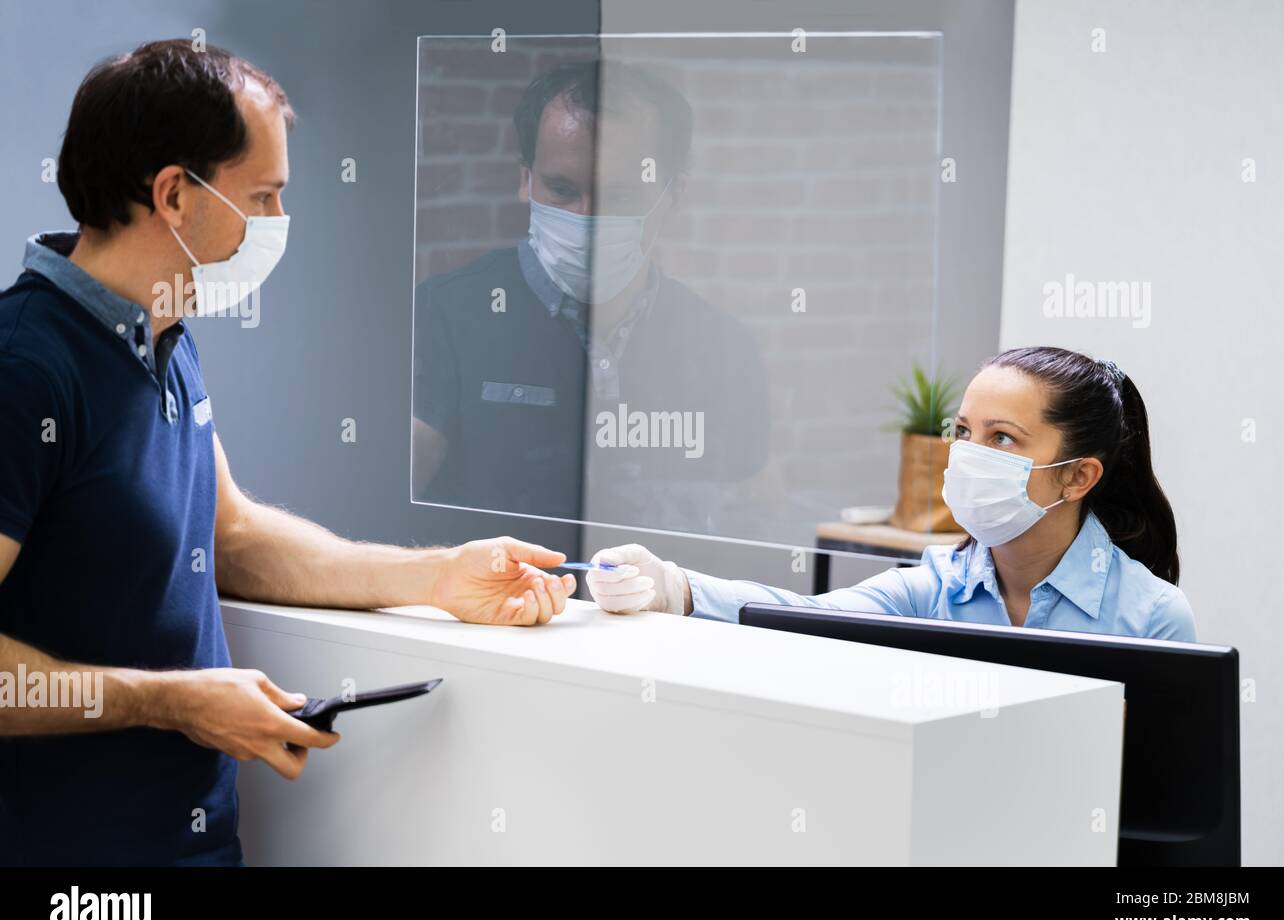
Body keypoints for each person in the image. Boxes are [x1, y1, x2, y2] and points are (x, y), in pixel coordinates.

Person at [0, 40, 576, 866]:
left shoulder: (162, 336)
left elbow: (230, 537)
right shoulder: (25, 367)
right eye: (263, 196)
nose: (277, 225)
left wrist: (437, 576)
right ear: (173, 195)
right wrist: (173, 704)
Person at [584, 346, 1196, 643]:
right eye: (963, 432)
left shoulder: (1151, 618)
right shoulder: (938, 588)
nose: (969, 454)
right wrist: (675, 587)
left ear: (1077, 476)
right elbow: (806, 615)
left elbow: (1154, 807)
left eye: (1002, 438)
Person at [411, 59, 769, 538]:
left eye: (618, 196)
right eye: (562, 189)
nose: (586, 218)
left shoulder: (722, 346)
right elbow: (390, 504)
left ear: (674, 194)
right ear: (526, 180)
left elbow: (750, 517)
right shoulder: (446, 315)